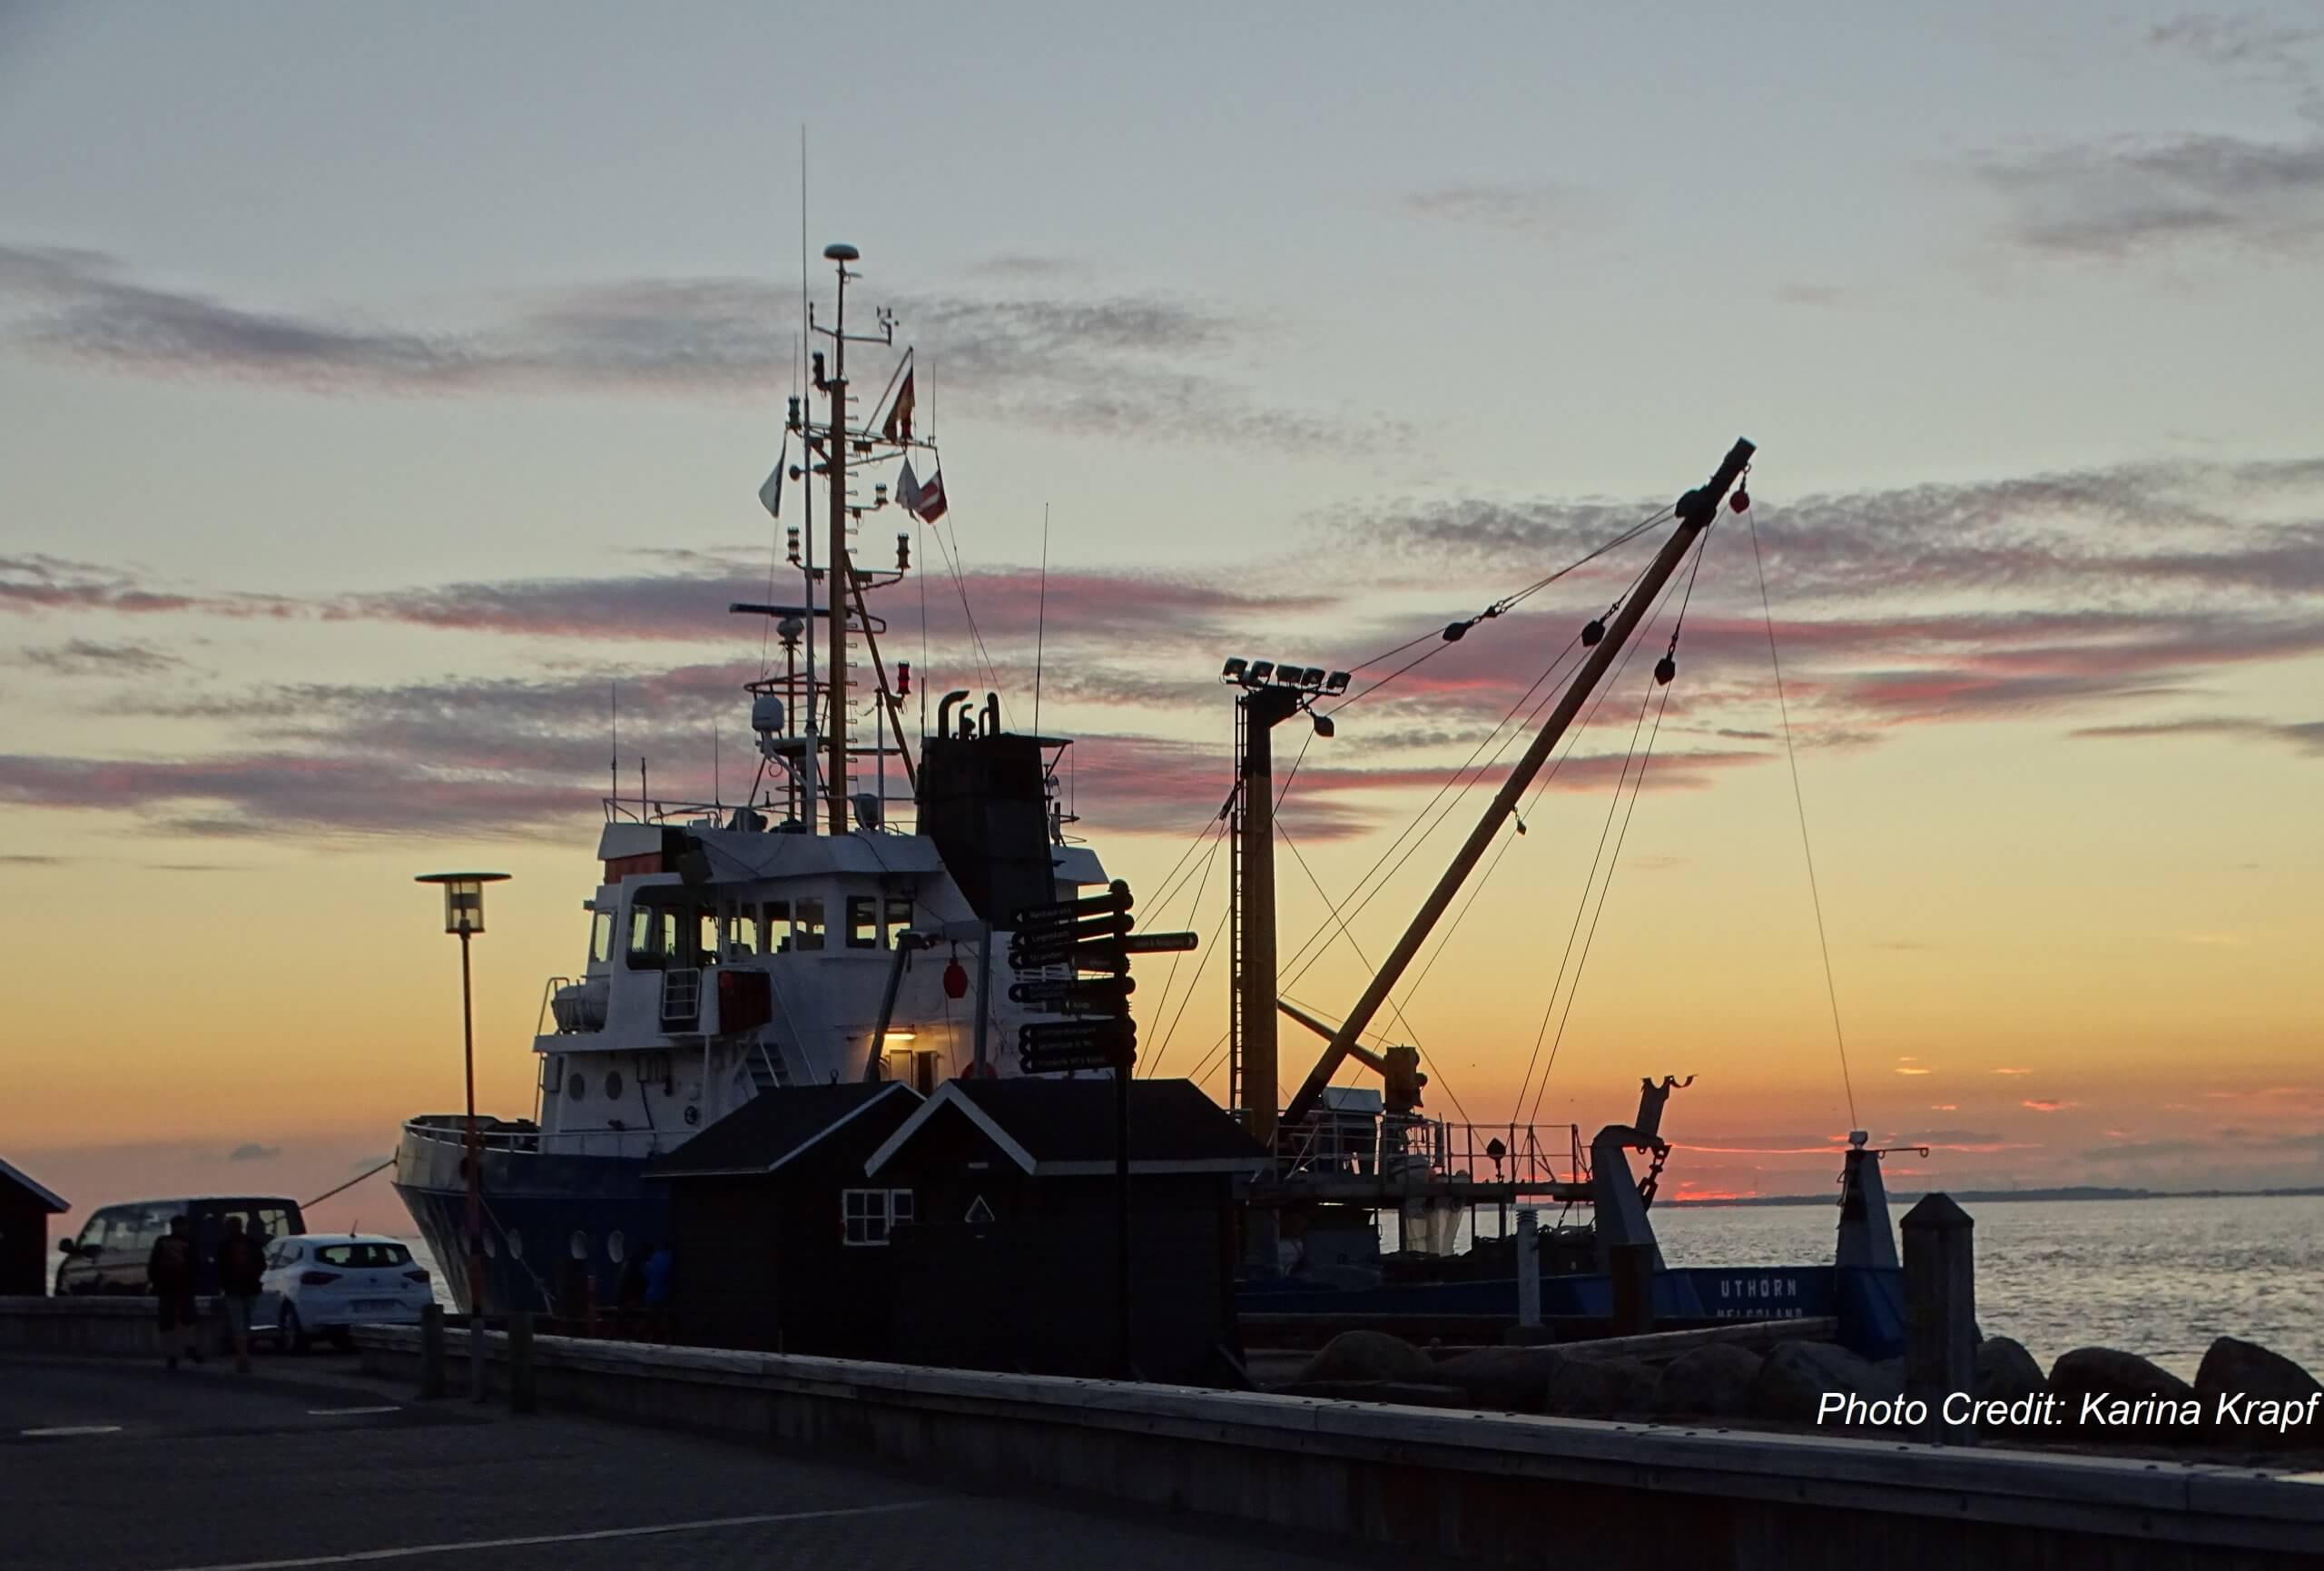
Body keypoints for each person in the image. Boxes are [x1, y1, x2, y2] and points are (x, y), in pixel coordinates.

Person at [147, 1215, 201, 1369]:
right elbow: (195, 1265)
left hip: (166, 1287)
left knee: (167, 1322)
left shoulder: (162, 1242)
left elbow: (153, 1265)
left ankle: (172, 1354)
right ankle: (190, 1347)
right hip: (184, 1287)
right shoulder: (190, 1243)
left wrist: (155, 1283)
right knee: (188, 1319)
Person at [213, 1215, 266, 1373]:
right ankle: (244, 1355)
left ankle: (242, 1357)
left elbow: (219, 1269)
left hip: (233, 1289)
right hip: (251, 1288)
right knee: (247, 1321)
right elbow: (262, 1264)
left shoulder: (224, 1245)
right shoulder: (252, 1243)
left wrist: (223, 1285)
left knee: (238, 1323)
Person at [642, 1240, 675, 1343]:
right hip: (663, 1297)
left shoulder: (655, 1257)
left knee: (652, 1322)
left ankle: (648, 1341)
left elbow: (646, 1272)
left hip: (651, 1296)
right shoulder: (671, 1257)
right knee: (662, 1321)